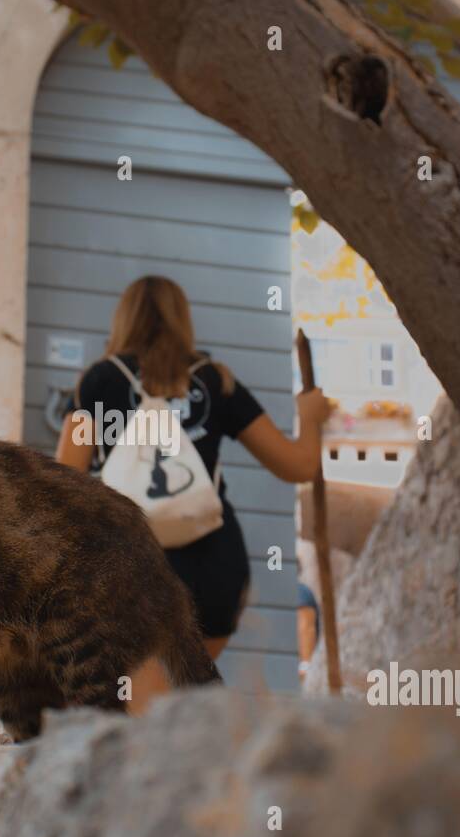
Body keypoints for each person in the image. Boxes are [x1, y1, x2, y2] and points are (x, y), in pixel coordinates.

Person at [56, 275, 331, 710]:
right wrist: (311, 416)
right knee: (179, 698)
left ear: (123, 319)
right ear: (183, 320)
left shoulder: (100, 381)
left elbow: (63, 484)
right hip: (213, 567)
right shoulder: (215, 380)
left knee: (142, 712)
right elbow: (296, 466)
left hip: (129, 567)